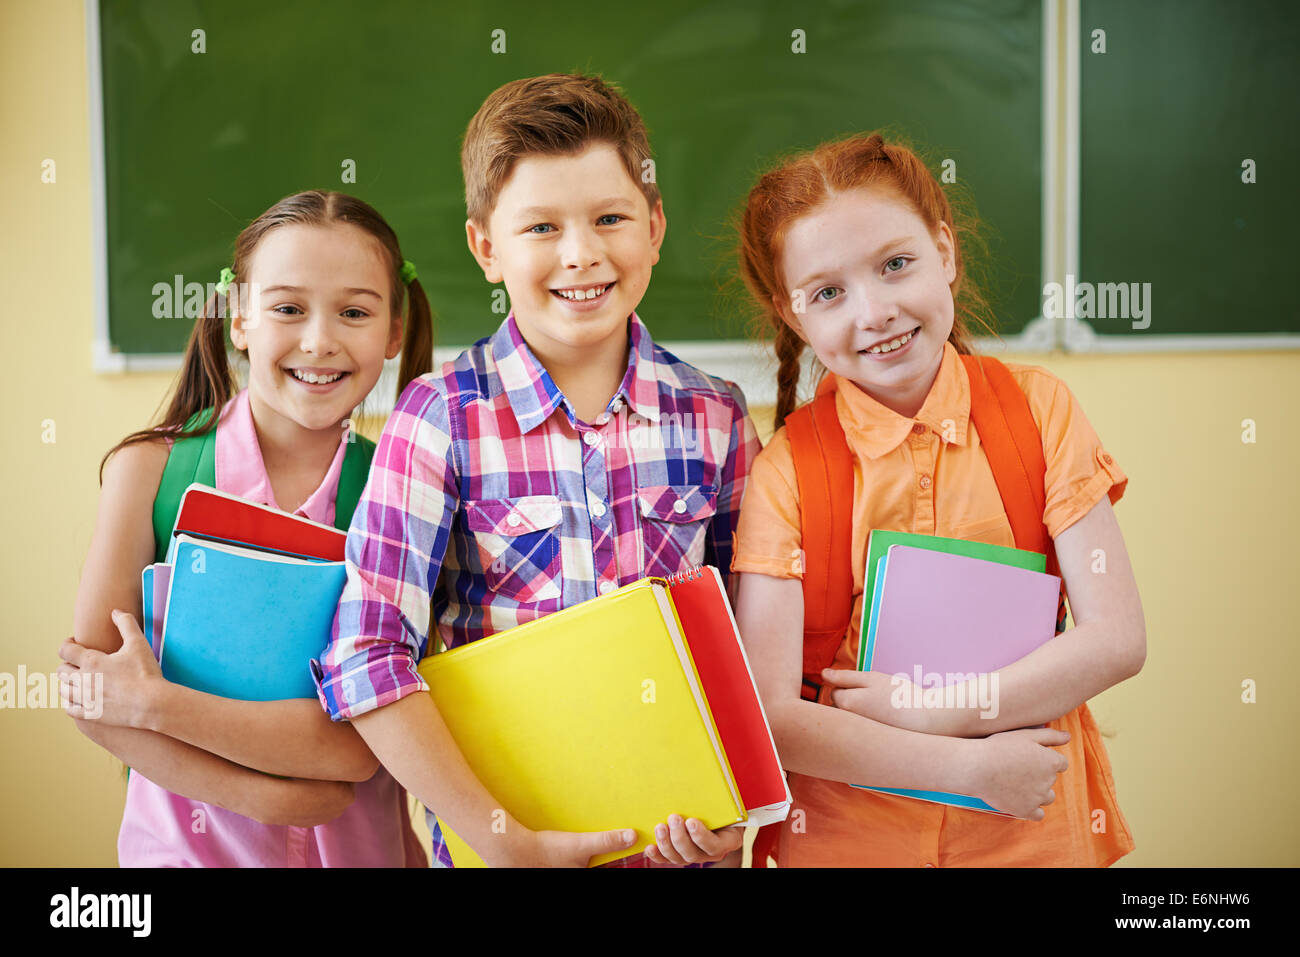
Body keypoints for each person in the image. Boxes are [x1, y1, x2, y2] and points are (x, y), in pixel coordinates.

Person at [313, 74, 761, 867]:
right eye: (542, 227)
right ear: (487, 248)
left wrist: (741, 818)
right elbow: (367, 654)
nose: (581, 253)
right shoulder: (437, 417)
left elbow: (750, 648)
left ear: (655, 226)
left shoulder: (715, 415)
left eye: (610, 218)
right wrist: (502, 838)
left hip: (680, 846)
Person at [730, 132, 1144, 867]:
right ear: (795, 318)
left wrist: (931, 707)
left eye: (896, 264)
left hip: (1033, 830)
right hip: (845, 842)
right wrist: (965, 767)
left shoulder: (1039, 413)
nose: (876, 310)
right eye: (829, 292)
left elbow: (1116, 639)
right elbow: (774, 716)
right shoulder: (786, 471)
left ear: (946, 255)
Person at [60, 190, 432, 866]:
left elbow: (362, 739)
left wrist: (156, 703)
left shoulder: (403, 490)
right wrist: (270, 797)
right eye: (288, 308)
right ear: (240, 319)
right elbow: (93, 694)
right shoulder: (148, 472)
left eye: (354, 312)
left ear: (394, 333)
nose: (319, 339)